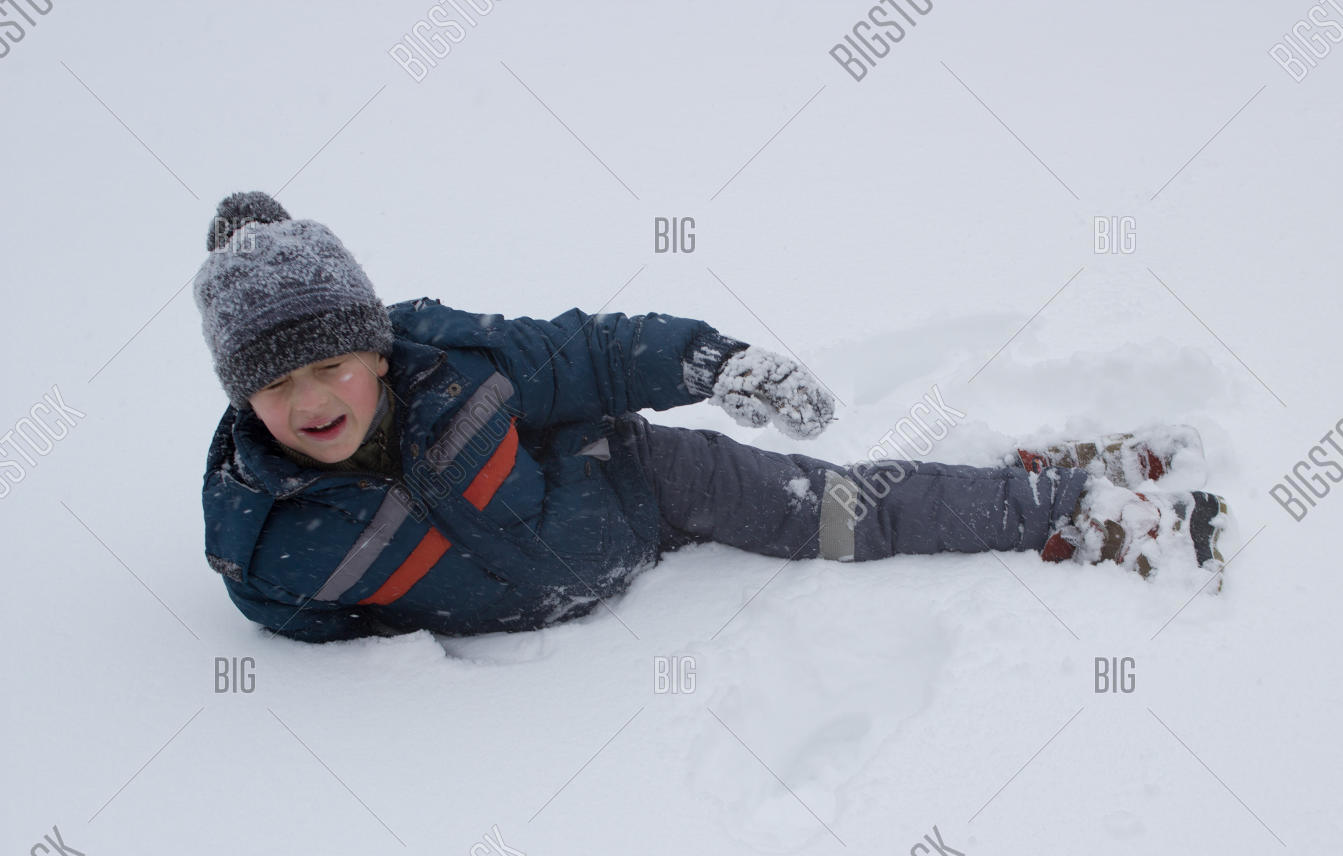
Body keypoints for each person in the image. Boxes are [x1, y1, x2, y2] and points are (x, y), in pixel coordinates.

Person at [195, 192, 1227, 644]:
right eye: (276, 386)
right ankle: (1040, 481)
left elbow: (591, 350)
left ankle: (1063, 502)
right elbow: (340, 650)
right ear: (239, 397)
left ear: (375, 346)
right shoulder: (266, 549)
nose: (312, 400)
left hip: (639, 484)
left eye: (331, 363)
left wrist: (712, 361)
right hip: (569, 579)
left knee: (841, 513)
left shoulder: (453, 363)